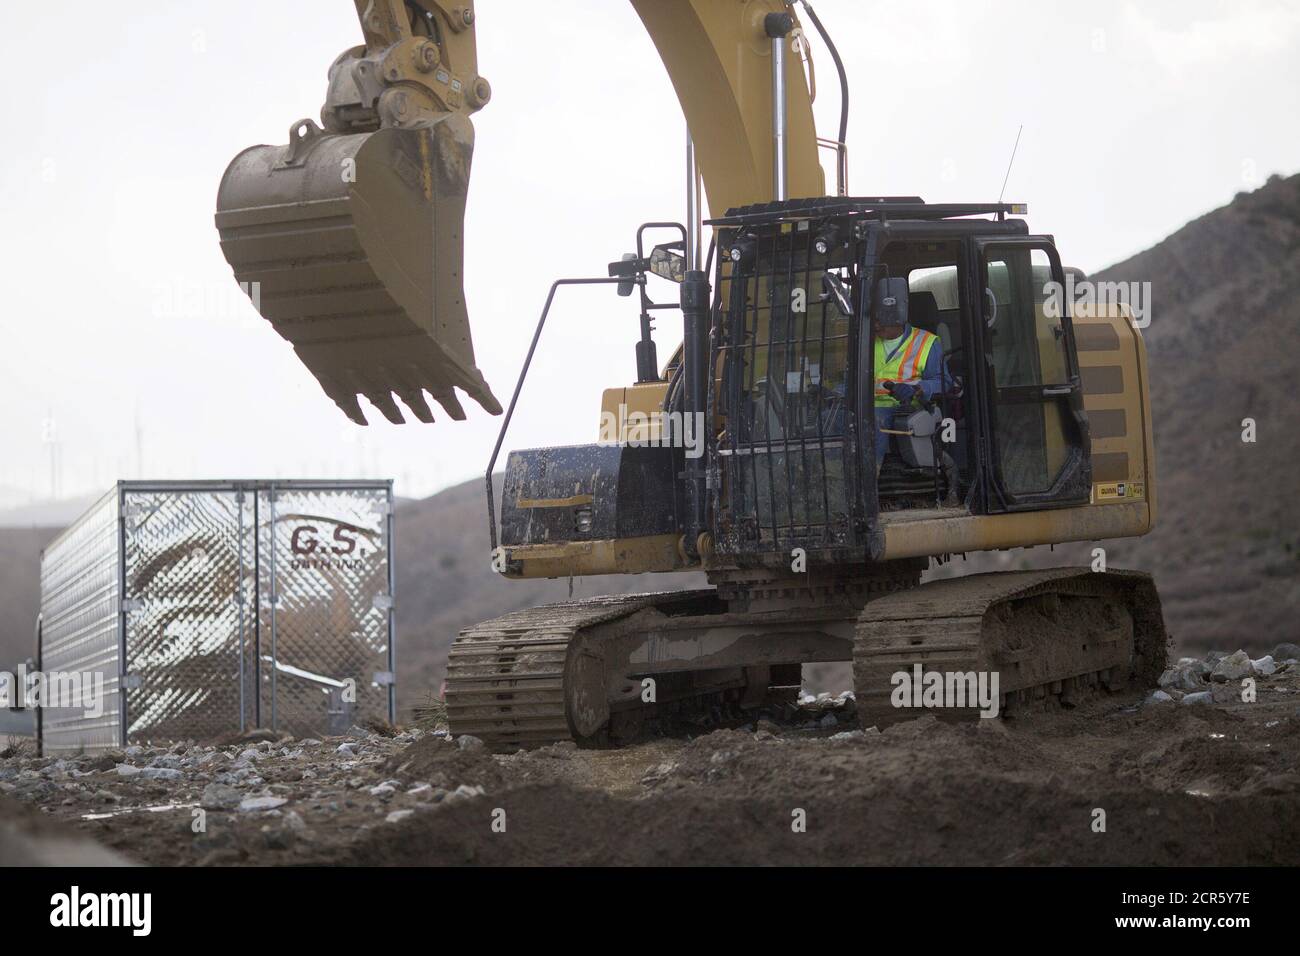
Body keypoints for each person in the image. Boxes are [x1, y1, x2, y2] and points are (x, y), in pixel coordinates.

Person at [873, 281, 943, 474]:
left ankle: (871, 477)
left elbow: (943, 382)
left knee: (874, 420)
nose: (875, 324)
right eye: (873, 318)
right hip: (867, 407)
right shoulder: (866, 342)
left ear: (898, 315)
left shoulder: (926, 343)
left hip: (907, 408)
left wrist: (917, 389)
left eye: (880, 318)